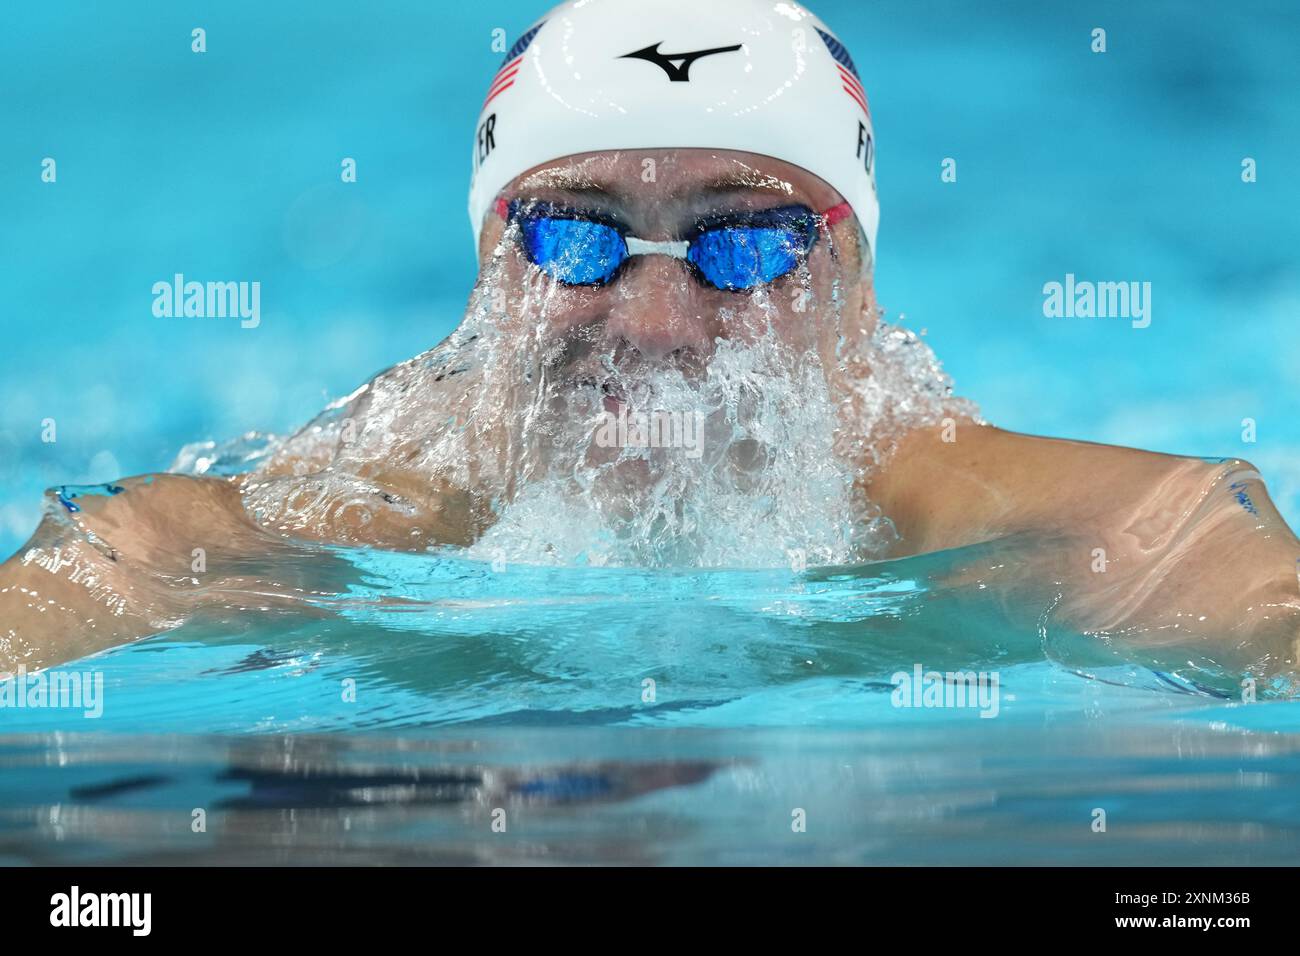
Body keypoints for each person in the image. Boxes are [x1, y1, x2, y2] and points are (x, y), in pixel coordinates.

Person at [3, 0, 1297, 682]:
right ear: (490, 271)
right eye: (577, 239)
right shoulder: (275, 545)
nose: (659, 322)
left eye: (746, 244)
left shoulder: (1098, 541)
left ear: (854, 281)